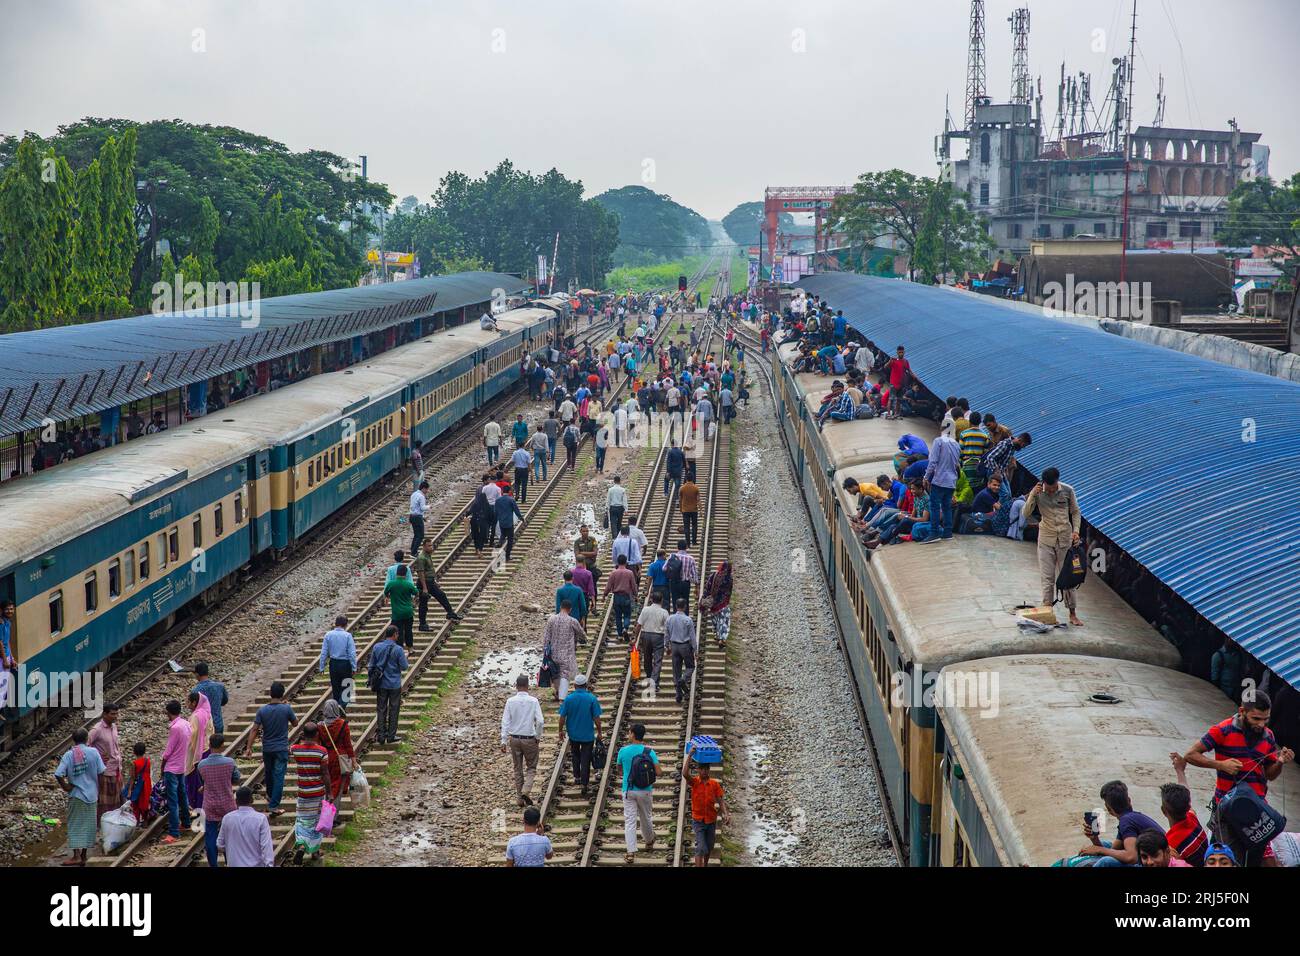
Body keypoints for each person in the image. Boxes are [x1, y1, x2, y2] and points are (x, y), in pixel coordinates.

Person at [1182, 689, 1295, 865]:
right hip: (1227, 808)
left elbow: (1270, 775)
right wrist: (1220, 765)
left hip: (1256, 810)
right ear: (1242, 712)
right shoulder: (1223, 730)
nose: (1261, 724)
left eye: (1266, 719)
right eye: (1256, 719)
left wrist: (1279, 762)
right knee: (1226, 859)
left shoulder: (1268, 736)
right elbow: (1190, 754)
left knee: (1254, 859)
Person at [1022, 467, 1083, 626]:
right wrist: (1032, 496)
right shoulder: (1037, 492)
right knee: (1047, 577)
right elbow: (1025, 513)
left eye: (1053, 487)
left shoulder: (1068, 490)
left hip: (1065, 539)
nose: (1050, 490)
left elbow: (1075, 512)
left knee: (1068, 578)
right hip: (1046, 539)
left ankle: (1072, 613)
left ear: (1057, 482)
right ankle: (1047, 611)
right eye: (1047, 488)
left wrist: (1076, 531)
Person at [1076, 779, 1162, 866]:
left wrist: (1098, 849)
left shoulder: (1126, 821)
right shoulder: (1131, 817)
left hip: (1152, 862)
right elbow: (1115, 849)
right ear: (1129, 800)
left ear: (1109, 809)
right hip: (1151, 856)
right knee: (1107, 845)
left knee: (1106, 862)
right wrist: (1094, 838)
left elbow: (1132, 857)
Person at [244, 682, 297, 817]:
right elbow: (296, 723)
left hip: (267, 748)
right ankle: (273, 806)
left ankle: (269, 796)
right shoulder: (286, 709)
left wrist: (249, 747)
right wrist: (286, 708)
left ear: (270, 694)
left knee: (269, 773)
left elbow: (255, 729)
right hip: (281, 748)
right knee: (279, 776)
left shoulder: (262, 710)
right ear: (282, 694)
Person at [54, 728, 105, 866]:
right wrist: (99, 790)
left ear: (73, 740)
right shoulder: (94, 752)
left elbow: (58, 773)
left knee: (75, 825)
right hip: (92, 795)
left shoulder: (69, 755)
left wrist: (65, 787)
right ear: (87, 738)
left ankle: (76, 855)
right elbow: (101, 772)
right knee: (89, 826)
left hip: (77, 795)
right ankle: (83, 855)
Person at [196, 733, 241, 867]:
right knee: (229, 835)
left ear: (209, 745)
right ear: (222, 746)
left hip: (209, 804)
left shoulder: (201, 765)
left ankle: (213, 864)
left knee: (210, 836)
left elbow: (204, 781)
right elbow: (236, 778)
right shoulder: (229, 763)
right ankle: (230, 862)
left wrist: (205, 787)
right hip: (227, 803)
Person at [616, 723, 659, 863]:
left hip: (628, 790)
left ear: (633, 734)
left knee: (630, 820)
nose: (629, 735)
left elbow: (619, 770)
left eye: (629, 732)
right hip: (645, 790)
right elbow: (658, 772)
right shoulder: (649, 752)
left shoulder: (623, 751)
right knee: (646, 817)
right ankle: (649, 841)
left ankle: (630, 852)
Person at [500, 674, 545, 807]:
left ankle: (520, 799)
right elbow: (540, 721)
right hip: (529, 739)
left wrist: (503, 740)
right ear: (527, 685)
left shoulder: (510, 701)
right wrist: (537, 736)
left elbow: (505, 722)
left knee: (517, 769)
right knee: (531, 767)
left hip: (514, 739)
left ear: (516, 686)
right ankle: (526, 790)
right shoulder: (533, 701)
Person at [290, 722, 330, 864]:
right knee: (317, 822)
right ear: (317, 734)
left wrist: (299, 738)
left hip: (303, 793)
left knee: (302, 821)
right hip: (318, 793)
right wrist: (329, 793)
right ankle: (315, 852)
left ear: (303, 735)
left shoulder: (296, 749)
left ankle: (301, 845)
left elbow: (290, 747)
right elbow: (325, 774)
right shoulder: (322, 751)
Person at [683, 741, 727, 867]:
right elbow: (685, 774)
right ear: (698, 770)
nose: (704, 771)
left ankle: (705, 864)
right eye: (702, 769)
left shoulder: (714, 784)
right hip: (698, 821)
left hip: (711, 820)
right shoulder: (695, 782)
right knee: (700, 847)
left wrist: (725, 813)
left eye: (706, 769)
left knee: (709, 846)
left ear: (709, 770)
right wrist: (690, 755)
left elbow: (720, 800)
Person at [557, 674, 603, 797]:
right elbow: (596, 718)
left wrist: (560, 731)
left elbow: (562, 717)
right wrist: (599, 732)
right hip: (587, 735)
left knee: (575, 754)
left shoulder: (569, 699)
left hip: (573, 734)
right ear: (586, 685)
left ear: (575, 685)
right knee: (586, 759)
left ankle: (577, 776)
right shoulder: (591, 698)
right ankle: (584, 783)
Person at [160, 699, 193, 842]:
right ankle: (186, 823)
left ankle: (174, 832)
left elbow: (168, 751)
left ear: (169, 712)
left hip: (172, 768)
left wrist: (162, 765)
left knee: (173, 801)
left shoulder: (175, 728)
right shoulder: (186, 724)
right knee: (182, 796)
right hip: (181, 767)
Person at [921, 423, 961, 543]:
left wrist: (926, 477)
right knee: (946, 506)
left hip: (939, 480)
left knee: (934, 506)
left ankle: (934, 532)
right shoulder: (956, 444)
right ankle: (947, 532)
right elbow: (957, 464)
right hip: (951, 481)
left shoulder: (938, 441)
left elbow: (933, 461)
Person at [369, 624, 408, 744]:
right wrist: (405, 658)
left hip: (381, 684)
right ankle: (391, 736)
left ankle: (381, 736)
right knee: (394, 709)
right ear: (395, 634)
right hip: (394, 684)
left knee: (381, 709)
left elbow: (371, 665)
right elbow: (404, 667)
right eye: (397, 634)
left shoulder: (377, 647)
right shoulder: (398, 649)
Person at [215, 787, 274, 867]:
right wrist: (269, 864)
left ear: (236, 801)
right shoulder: (261, 819)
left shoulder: (227, 818)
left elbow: (220, 844)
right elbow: (266, 846)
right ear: (252, 800)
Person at [414, 537, 463, 630]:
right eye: (429, 546)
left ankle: (450, 613)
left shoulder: (427, 555)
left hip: (430, 582)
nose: (431, 547)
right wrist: (424, 588)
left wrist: (434, 581)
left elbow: (429, 571)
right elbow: (420, 573)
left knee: (441, 595)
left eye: (431, 545)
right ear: (424, 547)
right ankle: (422, 624)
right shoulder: (421, 558)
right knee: (423, 604)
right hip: (424, 583)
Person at [543, 600, 584, 700]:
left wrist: (545, 652)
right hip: (567, 654)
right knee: (565, 675)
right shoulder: (572, 621)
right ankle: (562, 698)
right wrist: (584, 639)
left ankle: (558, 692)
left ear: (560, 607)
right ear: (570, 609)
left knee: (556, 674)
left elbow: (546, 637)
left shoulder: (551, 619)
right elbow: (581, 633)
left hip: (554, 654)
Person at [87, 701, 122, 821]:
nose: (115, 716)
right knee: (104, 801)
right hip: (104, 770)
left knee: (115, 800)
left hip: (116, 769)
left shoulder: (114, 727)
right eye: (113, 714)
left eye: (116, 714)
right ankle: (101, 824)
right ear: (104, 714)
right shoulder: (97, 729)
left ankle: (111, 823)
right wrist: (97, 757)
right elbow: (85, 746)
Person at [318, 700, 354, 802]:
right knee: (338, 786)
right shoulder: (343, 724)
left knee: (327, 784)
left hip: (325, 759)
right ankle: (333, 813)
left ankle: (326, 808)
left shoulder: (320, 726)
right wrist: (354, 761)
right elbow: (348, 745)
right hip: (340, 759)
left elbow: (318, 744)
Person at [633, 591, 670, 692]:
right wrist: (668, 643)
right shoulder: (664, 612)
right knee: (657, 661)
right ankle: (654, 682)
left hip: (646, 636)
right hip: (658, 637)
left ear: (651, 600)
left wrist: (635, 638)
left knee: (647, 658)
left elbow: (639, 624)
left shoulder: (645, 610)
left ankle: (650, 677)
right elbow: (667, 628)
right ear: (661, 600)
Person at [319, 616, 357, 707]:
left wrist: (322, 666)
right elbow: (352, 653)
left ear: (335, 624)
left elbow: (324, 652)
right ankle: (342, 707)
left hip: (333, 664)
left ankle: (337, 710)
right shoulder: (347, 635)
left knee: (336, 688)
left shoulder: (328, 635)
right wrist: (354, 667)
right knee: (347, 687)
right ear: (345, 624)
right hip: (345, 664)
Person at [666, 598, 698, 705]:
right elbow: (692, 637)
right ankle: (683, 680)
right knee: (690, 667)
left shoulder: (670, 619)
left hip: (674, 646)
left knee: (676, 671)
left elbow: (667, 634)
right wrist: (695, 650)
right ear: (685, 606)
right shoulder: (688, 620)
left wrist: (667, 646)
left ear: (676, 606)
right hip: (685, 646)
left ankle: (678, 694)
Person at [384, 564, 419, 648]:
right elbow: (416, 592)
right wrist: (414, 601)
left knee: (397, 631)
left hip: (397, 613)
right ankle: (410, 648)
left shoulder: (391, 584)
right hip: (408, 612)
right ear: (406, 574)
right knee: (408, 631)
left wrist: (387, 598)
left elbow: (386, 592)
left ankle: (400, 648)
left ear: (397, 573)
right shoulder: (408, 584)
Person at [604, 554, 637, 639]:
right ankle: (625, 628)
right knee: (627, 615)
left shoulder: (613, 573)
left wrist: (604, 595)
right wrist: (635, 595)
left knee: (618, 616)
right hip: (626, 597)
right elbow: (633, 586)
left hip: (617, 597)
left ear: (617, 562)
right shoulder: (630, 573)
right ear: (626, 562)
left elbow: (608, 586)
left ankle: (619, 635)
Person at [701, 560, 733, 645]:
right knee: (724, 621)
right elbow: (729, 592)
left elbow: (707, 588)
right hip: (723, 604)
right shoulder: (729, 578)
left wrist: (704, 599)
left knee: (715, 620)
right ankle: (722, 638)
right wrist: (727, 601)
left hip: (713, 603)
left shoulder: (713, 575)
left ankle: (717, 634)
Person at [193, 662, 229, 734]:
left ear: (197, 674)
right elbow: (225, 701)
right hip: (218, 723)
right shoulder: (220, 686)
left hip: (204, 726)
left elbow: (194, 708)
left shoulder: (196, 690)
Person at [665, 540, 697, 616]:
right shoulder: (691, 558)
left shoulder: (672, 556)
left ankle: (676, 617)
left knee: (675, 601)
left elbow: (664, 568)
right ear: (686, 547)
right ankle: (685, 618)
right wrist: (695, 584)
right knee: (685, 602)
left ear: (677, 547)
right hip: (685, 584)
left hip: (674, 583)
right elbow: (695, 576)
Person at [125, 741, 153, 824]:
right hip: (146, 784)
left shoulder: (134, 763)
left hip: (138, 786)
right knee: (145, 802)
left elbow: (132, 778)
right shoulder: (147, 761)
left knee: (136, 803)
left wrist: (129, 790)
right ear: (144, 751)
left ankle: (136, 821)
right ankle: (145, 821)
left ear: (134, 752)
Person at [494, 485, 524, 560]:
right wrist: (521, 518)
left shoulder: (498, 500)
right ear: (509, 491)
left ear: (502, 491)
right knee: (510, 539)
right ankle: (507, 556)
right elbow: (516, 510)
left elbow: (495, 511)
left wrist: (497, 519)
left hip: (501, 521)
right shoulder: (511, 500)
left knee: (503, 534)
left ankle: (500, 543)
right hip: (509, 522)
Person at [885, 346, 911, 419]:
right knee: (891, 399)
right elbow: (885, 367)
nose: (901, 353)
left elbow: (909, 371)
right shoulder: (893, 360)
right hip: (893, 383)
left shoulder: (906, 361)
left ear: (904, 352)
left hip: (901, 384)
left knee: (899, 400)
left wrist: (916, 377)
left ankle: (896, 414)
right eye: (899, 352)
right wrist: (890, 361)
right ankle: (889, 414)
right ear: (897, 352)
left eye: (902, 352)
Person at [409, 480, 429, 553]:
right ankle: (413, 552)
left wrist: (422, 517)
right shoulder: (421, 496)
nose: (427, 491)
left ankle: (412, 550)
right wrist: (429, 506)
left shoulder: (414, 494)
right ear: (423, 488)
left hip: (412, 516)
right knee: (420, 535)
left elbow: (414, 507)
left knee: (416, 534)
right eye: (427, 489)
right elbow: (422, 508)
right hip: (417, 517)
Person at [679, 476, 700, 547]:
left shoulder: (682, 488)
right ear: (692, 479)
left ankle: (688, 543)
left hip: (685, 510)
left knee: (686, 527)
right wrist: (701, 510)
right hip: (694, 510)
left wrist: (681, 509)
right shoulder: (695, 488)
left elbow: (680, 500)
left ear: (686, 479)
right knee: (694, 525)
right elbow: (698, 500)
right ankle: (694, 541)